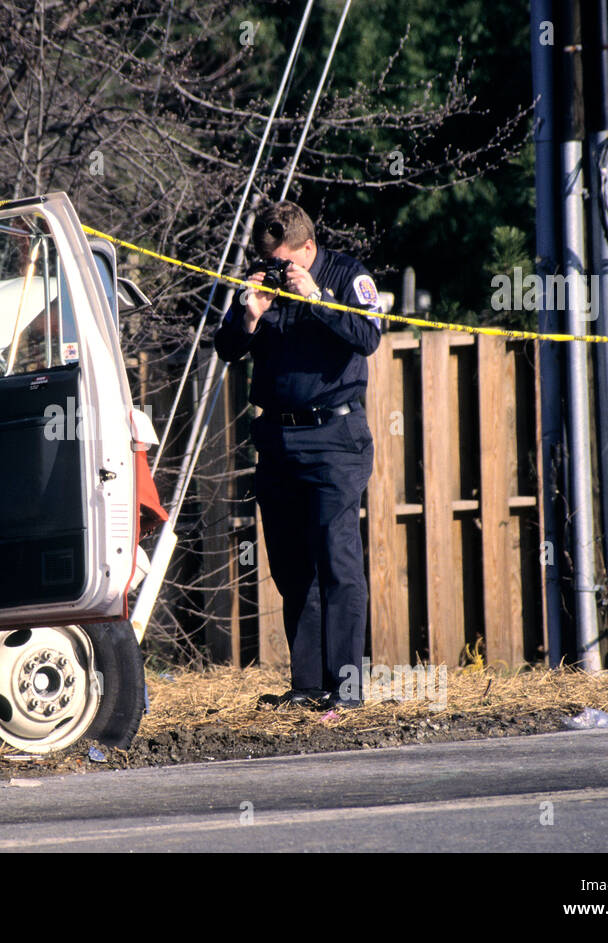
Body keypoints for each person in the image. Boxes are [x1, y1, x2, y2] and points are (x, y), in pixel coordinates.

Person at [213, 201, 382, 710]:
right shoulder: (264, 281)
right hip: (278, 441)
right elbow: (225, 348)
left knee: (337, 564)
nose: (281, 273)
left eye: (288, 263)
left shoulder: (347, 276)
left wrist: (319, 299)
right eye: (273, 264)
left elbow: (369, 336)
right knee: (291, 569)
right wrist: (250, 313)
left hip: (335, 439)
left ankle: (346, 690)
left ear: (308, 248)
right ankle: (309, 686)